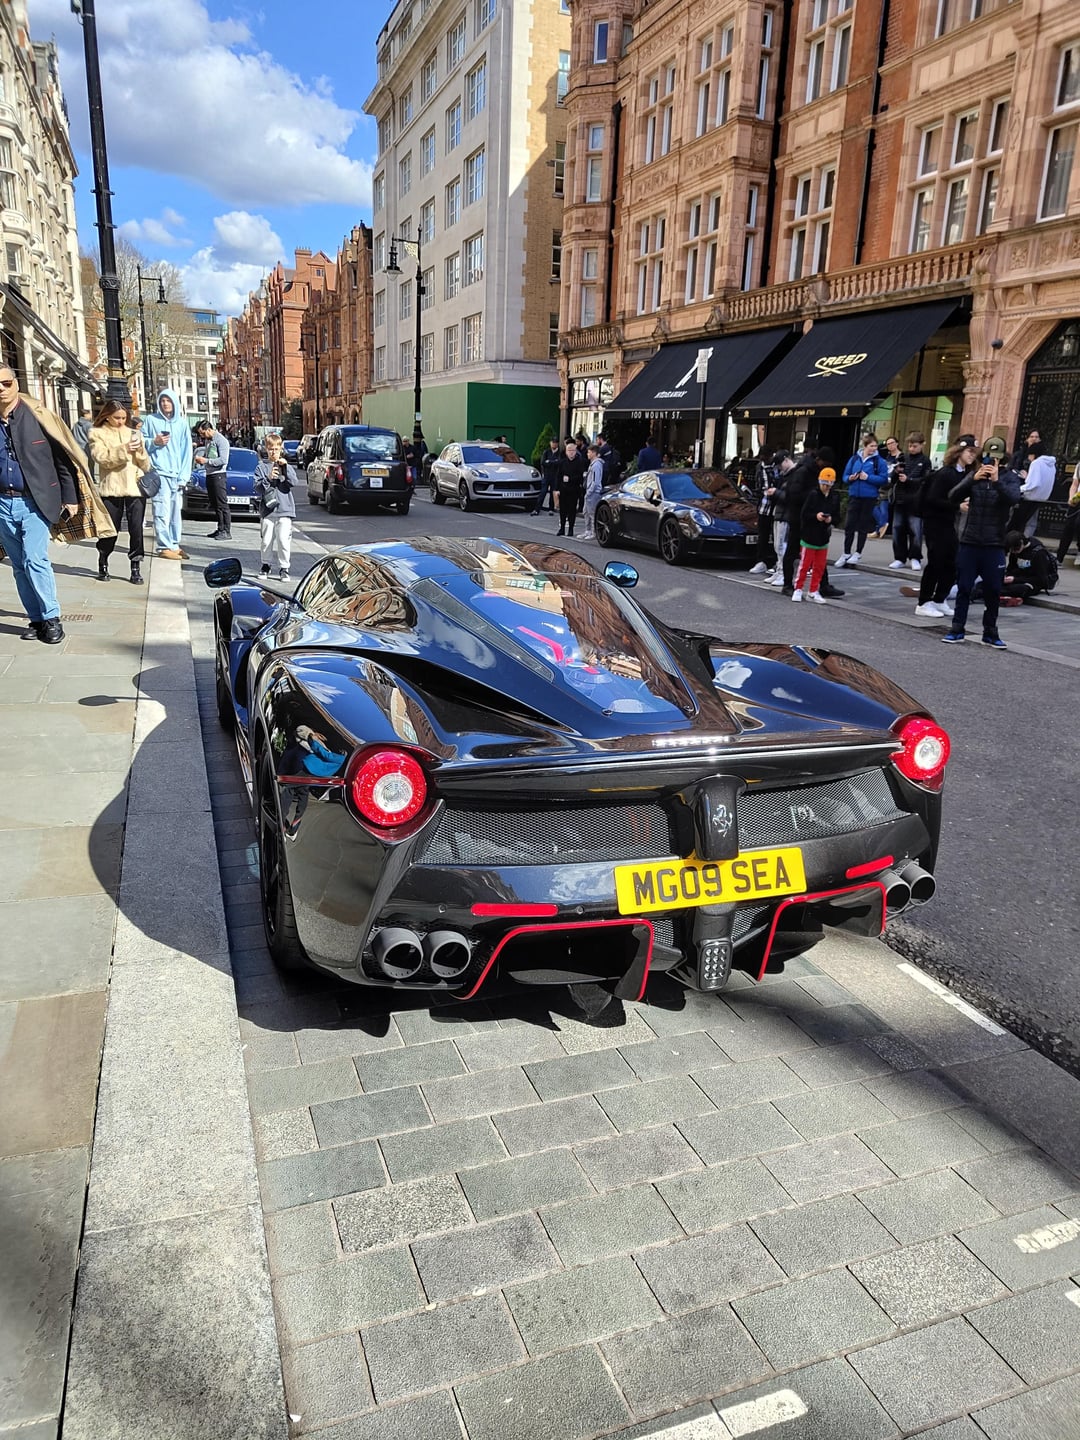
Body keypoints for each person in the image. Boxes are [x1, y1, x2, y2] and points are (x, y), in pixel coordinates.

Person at [0, 364, 82, 643]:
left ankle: (51, 618)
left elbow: (63, 460)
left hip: (34, 501)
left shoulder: (38, 416)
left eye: (6, 383)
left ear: (15, 383)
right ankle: (35, 620)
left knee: (35, 559)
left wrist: (70, 497)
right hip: (2, 504)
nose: (1, 389)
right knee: (19, 565)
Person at [942, 444, 1022, 648]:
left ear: (1002, 459)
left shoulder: (1009, 477)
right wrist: (971, 479)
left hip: (994, 542)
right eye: (987, 458)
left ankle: (991, 632)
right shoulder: (973, 475)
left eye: (995, 459)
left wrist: (996, 482)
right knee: (964, 587)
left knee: (993, 589)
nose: (990, 463)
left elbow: (1013, 499)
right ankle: (957, 628)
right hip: (970, 541)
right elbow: (952, 496)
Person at [88, 399, 152, 585]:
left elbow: (145, 464)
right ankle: (103, 559)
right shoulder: (97, 433)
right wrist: (124, 449)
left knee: (136, 529)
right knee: (110, 529)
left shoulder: (134, 433)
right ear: (107, 416)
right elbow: (102, 458)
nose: (121, 421)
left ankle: (135, 566)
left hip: (135, 486)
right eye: (117, 417)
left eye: (124, 417)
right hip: (112, 488)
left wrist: (139, 450)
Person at [913, 439, 973, 618]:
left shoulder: (964, 474)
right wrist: (957, 506)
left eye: (973, 451)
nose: (972, 455)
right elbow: (933, 499)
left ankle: (940, 599)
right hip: (935, 522)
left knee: (952, 563)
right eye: (968, 451)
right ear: (958, 452)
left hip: (948, 523)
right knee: (936, 562)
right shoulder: (946, 473)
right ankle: (923, 602)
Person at [142, 388, 192, 559]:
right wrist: (154, 442)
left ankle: (174, 543)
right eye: (162, 400)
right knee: (162, 511)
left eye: (168, 400)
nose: (165, 404)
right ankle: (164, 546)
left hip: (176, 476)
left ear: (174, 403)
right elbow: (140, 443)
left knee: (175, 512)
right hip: (159, 474)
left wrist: (184, 476)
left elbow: (187, 452)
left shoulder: (182, 424)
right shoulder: (150, 420)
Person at [837, 434, 890, 566]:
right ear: (865, 446)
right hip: (854, 495)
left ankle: (858, 552)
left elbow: (883, 479)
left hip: (869, 497)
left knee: (863, 525)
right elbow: (845, 475)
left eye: (875, 446)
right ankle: (846, 552)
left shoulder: (879, 461)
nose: (874, 449)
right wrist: (850, 478)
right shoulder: (855, 458)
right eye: (871, 446)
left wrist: (868, 477)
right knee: (849, 525)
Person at [792, 467, 840, 605]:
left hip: (823, 536)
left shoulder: (834, 496)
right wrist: (816, 516)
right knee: (804, 565)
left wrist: (830, 519)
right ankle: (798, 588)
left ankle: (813, 590)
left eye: (828, 484)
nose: (826, 487)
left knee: (819, 566)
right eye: (824, 483)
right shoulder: (813, 494)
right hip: (809, 535)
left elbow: (837, 516)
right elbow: (804, 514)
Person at [254, 433, 297, 580]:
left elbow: (293, 483)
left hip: (285, 510)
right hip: (268, 510)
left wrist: (285, 469)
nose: (274, 452)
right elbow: (258, 488)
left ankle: (284, 568)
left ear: (281, 449)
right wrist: (269, 477)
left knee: (283, 540)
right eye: (271, 448)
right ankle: (266, 565)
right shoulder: (261, 467)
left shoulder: (286, 465)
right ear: (266, 448)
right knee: (266, 540)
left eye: (277, 449)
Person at [887, 431, 930, 571]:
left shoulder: (925, 461)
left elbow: (926, 480)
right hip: (900, 499)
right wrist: (896, 472)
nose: (911, 449)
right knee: (897, 529)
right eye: (910, 446)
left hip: (916, 501)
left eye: (915, 446)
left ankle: (915, 557)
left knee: (915, 530)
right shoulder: (903, 457)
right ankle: (899, 557)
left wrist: (909, 480)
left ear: (922, 445)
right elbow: (892, 479)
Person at [751, 450, 793, 574]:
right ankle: (761, 561)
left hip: (775, 505)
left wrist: (774, 492)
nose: (763, 459)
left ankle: (776, 564)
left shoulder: (778, 469)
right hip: (764, 505)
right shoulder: (760, 467)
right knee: (763, 535)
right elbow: (759, 484)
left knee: (777, 538)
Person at [195, 419, 232, 539]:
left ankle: (226, 530)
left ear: (209, 429)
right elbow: (209, 455)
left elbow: (223, 460)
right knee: (215, 503)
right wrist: (202, 460)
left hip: (218, 475)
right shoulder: (208, 441)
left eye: (203, 433)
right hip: (210, 474)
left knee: (222, 503)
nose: (202, 436)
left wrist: (206, 461)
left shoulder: (222, 441)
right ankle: (220, 528)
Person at [1012, 442, 1056, 537]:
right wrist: (1027, 477)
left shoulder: (1036, 463)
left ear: (1033, 454)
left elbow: (1034, 484)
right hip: (1041, 498)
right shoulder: (1051, 465)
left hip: (1029, 498)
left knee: (1016, 524)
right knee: (1025, 523)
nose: (1029, 458)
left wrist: (1018, 489)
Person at [1002, 529, 1057, 603]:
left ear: (1021, 543)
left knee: (1020, 589)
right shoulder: (1015, 552)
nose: (1014, 552)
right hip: (1017, 579)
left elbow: (1041, 579)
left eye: (1015, 549)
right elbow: (1011, 568)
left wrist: (1015, 579)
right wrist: (1007, 576)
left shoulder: (1038, 553)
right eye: (1011, 550)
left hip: (1031, 582)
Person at [557, 439, 587, 537]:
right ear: (566, 451)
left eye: (573, 450)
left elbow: (580, 476)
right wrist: (556, 489)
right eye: (569, 450)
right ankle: (562, 528)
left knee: (572, 510)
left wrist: (570, 479)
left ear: (575, 451)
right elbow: (558, 476)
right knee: (562, 510)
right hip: (563, 489)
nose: (571, 452)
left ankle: (570, 529)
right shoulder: (562, 462)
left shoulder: (580, 462)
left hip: (574, 489)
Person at [1055, 469, 1080, 567]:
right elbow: (1075, 484)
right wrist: (1071, 497)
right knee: (1068, 527)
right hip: (1077, 498)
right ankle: (1059, 558)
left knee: (1078, 523)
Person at [581, 443, 604, 540]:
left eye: (589, 452)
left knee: (592, 513)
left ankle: (594, 532)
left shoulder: (596, 465)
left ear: (594, 453)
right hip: (590, 491)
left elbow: (596, 481)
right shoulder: (593, 464)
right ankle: (588, 530)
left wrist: (589, 491)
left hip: (593, 492)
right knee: (586, 511)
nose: (587, 454)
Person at [534, 436, 560, 514]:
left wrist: (550, 462)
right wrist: (552, 462)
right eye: (552, 442)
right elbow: (543, 462)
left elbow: (559, 462)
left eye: (555, 443)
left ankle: (551, 509)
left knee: (553, 492)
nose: (554, 444)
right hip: (547, 475)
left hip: (555, 475)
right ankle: (537, 509)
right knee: (543, 492)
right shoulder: (547, 452)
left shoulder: (559, 453)